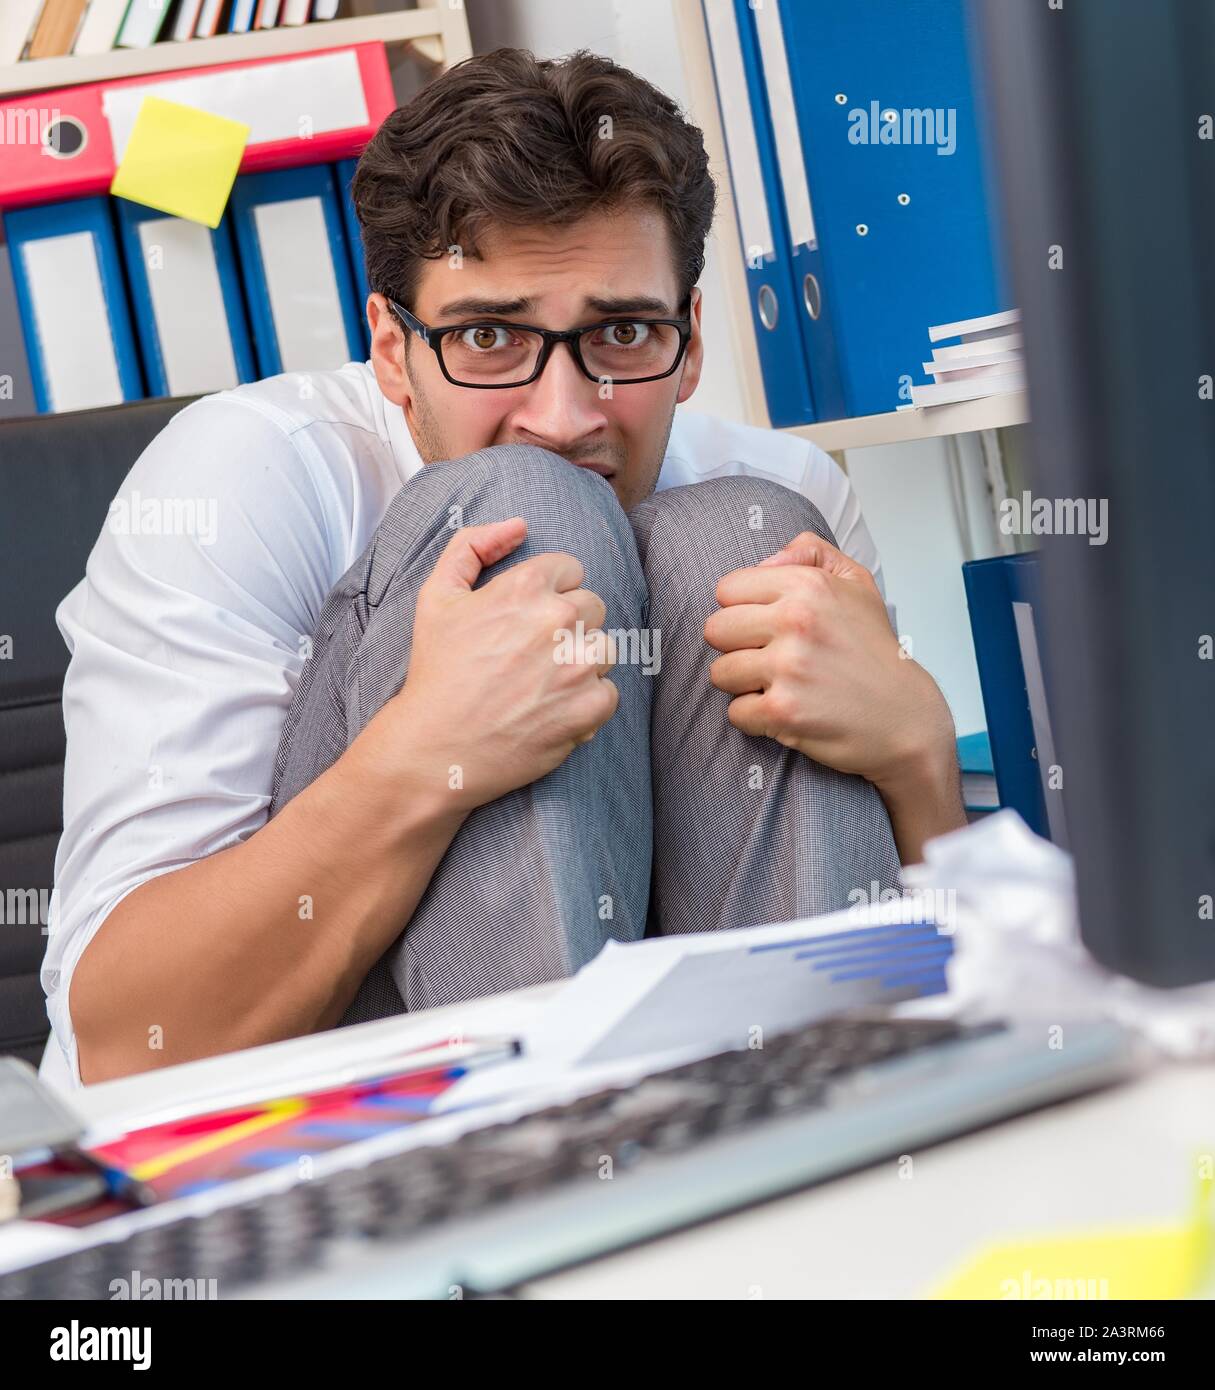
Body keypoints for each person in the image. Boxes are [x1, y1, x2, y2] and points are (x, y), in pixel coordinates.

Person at [42, 48, 964, 1088]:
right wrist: (423, 754)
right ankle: (564, 1181)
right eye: (488, 335)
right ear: (390, 346)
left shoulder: (779, 496)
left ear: (692, 337)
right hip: (310, 1120)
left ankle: (836, 1149)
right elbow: (128, 1044)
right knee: (529, 511)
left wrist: (919, 758)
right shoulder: (242, 480)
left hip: (711, 1094)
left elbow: (981, 974)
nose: (565, 416)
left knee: (740, 545)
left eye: (620, 332)